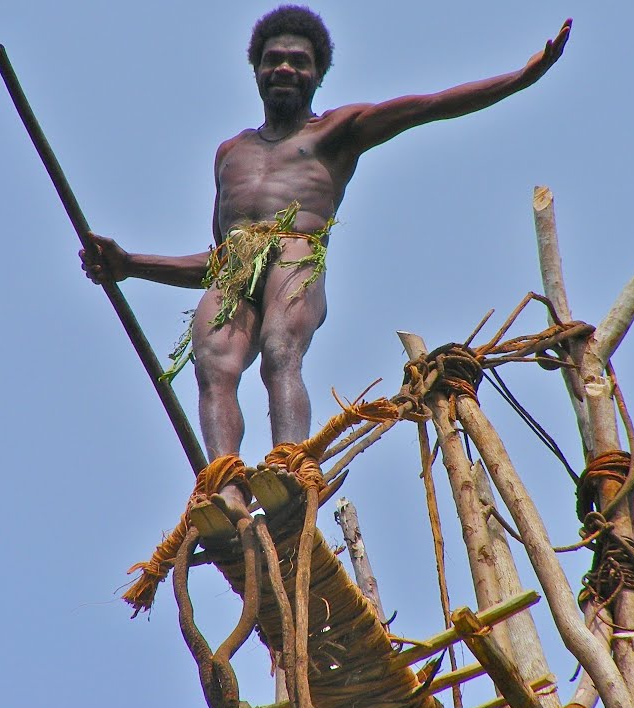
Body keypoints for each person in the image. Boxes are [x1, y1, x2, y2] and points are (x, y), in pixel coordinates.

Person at [82, 5, 571, 517]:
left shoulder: (337, 131)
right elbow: (219, 260)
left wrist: (523, 75)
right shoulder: (231, 152)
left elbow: (431, 105)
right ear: (256, 70)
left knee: (279, 349)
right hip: (236, 269)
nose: (285, 69)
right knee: (213, 365)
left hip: (296, 253)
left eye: (299, 60)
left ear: (318, 74)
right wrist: (129, 263)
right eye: (273, 59)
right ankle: (226, 484)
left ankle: (287, 465)